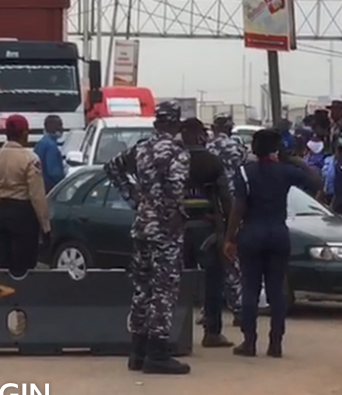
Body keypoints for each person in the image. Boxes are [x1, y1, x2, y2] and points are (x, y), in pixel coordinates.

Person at [105, 101, 191, 375]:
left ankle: (137, 352)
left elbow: (112, 168)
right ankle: (157, 353)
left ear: (157, 123)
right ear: (176, 124)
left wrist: (136, 199)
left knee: (142, 289)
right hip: (165, 231)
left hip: (142, 227)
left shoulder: (141, 148)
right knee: (164, 290)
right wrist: (173, 214)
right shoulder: (178, 153)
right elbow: (176, 189)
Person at [223, 129, 317, 358]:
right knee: (276, 290)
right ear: (277, 149)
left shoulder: (245, 172)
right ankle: (276, 343)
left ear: (254, 148)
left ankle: (249, 342)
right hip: (278, 233)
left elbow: (238, 207)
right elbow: (316, 181)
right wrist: (293, 159)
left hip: (252, 233)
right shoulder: (285, 172)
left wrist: (230, 236)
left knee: (250, 289)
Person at [178, 118, 234, 347]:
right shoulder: (212, 162)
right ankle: (212, 332)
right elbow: (225, 197)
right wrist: (230, 228)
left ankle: (177, 333)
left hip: (177, 229)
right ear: (201, 135)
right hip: (206, 229)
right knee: (213, 280)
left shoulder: (175, 161)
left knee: (177, 281)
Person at [0, 114, 50, 278]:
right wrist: (45, 226)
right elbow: (37, 195)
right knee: (24, 266)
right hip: (23, 214)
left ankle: (2, 299)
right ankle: (21, 299)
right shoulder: (30, 158)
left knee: (3, 264)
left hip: (2, 211)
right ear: (23, 133)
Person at [205, 113, 247, 326]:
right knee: (233, 261)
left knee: (211, 263)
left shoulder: (210, 149)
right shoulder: (239, 148)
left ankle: (209, 311)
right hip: (237, 205)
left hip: (216, 207)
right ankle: (239, 309)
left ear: (214, 128)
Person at [34, 115, 66, 192]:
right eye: (60, 126)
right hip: (50, 189)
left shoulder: (40, 143)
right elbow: (54, 173)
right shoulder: (51, 146)